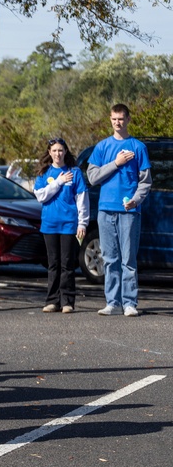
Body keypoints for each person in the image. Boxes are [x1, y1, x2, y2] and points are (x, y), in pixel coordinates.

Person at [86, 103, 152, 317]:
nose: (117, 122)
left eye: (121, 118)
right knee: (110, 258)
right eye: (114, 118)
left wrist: (135, 200)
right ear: (110, 119)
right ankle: (112, 303)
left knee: (128, 260)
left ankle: (130, 303)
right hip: (106, 210)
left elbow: (146, 181)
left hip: (129, 212)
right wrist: (116, 162)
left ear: (128, 120)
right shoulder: (102, 147)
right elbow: (93, 177)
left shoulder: (138, 147)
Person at [33, 138, 89, 314]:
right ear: (49, 153)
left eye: (60, 150)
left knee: (67, 264)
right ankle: (52, 301)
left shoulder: (75, 173)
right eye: (54, 150)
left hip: (69, 225)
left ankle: (67, 302)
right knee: (53, 264)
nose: (58, 154)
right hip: (49, 225)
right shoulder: (44, 174)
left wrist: (83, 223)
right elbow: (41, 196)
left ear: (65, 152)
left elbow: (82, 199)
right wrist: (58, 181)